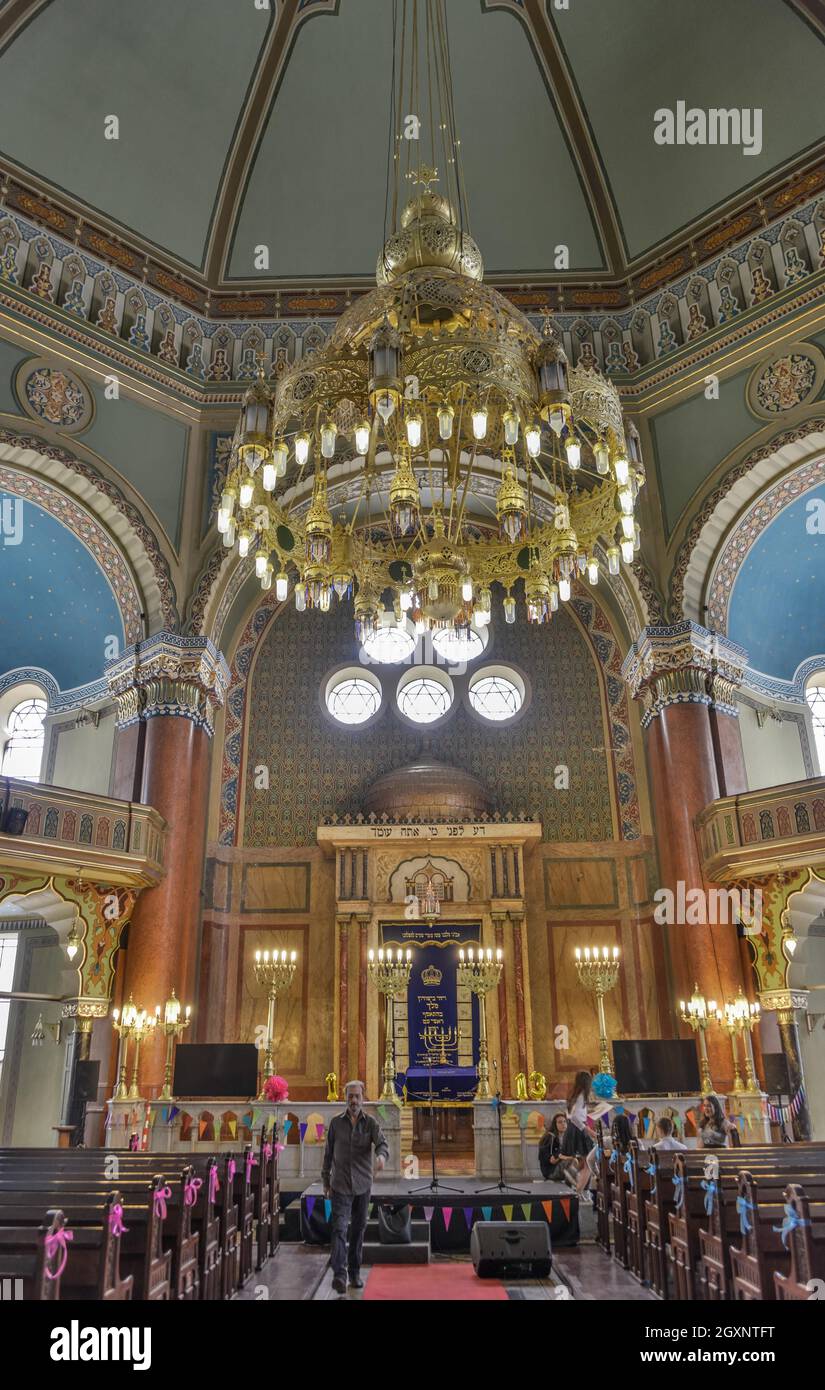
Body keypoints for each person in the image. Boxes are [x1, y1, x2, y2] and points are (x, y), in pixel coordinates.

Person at [321, 1079, 389, 1295]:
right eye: (350, 1096)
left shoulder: (370, 1123)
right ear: (345, 1097)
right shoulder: (335, 1124)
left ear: (363, 1097)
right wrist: (325, 1180)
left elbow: (382, 1144)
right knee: (339, 1229)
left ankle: (355, 1272)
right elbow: (328, 1154)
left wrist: (380, 1158)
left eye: (357, 1096)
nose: (353, 1100)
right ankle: (339, 1276)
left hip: (362, 1185)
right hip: (340, 1183)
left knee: (358, 1231)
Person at [561, 1070, 595, 1195]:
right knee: (589, 1163)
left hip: (573, 1128)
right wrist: (587, 1129)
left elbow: (571, 1114)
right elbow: (575, 1117)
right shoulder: (581, 1096)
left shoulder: (573, 1095)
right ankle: (578, 1191)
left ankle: (572, 1178)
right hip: (578, 1129)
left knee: (583, 1161)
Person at [538, 1113, 569, 1181]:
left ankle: (583, 1188)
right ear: (555, 1125)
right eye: (560, 1122)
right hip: (551, 1172)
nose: (563, 1124)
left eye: (564, 1121)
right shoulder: (549, 1138)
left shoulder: (567, 1137)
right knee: (571, 1161)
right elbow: (550, 1159)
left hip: (561, 1169)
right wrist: (553, 1157)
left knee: (582, 1163)